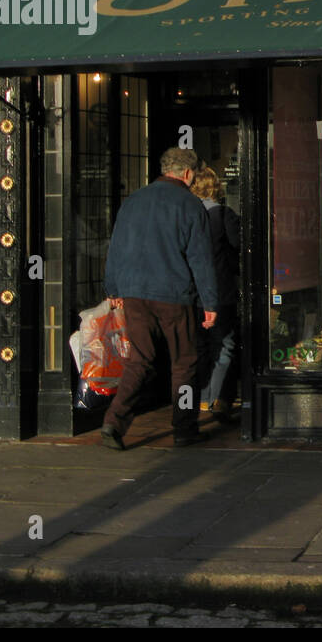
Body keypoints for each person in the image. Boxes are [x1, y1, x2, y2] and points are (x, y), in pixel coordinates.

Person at [100, 146, 219, 449]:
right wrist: (210, 303)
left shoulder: (133, 201)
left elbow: (115, 247)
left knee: (139, 359)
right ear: (188, 174)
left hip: (135, 294)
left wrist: (113, 289)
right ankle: (184, 428)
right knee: (185, 362)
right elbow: (201, 260)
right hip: (174, 295)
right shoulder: (190, 205)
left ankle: (114, 421)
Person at [190, 165, 241, 422]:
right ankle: (216, 398)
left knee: (201, 346)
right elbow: (238, 249)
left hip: (192, 293)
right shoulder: (222, 215)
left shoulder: (186, 216)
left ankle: (199, 398)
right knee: (225, 345)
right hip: (220, 291)